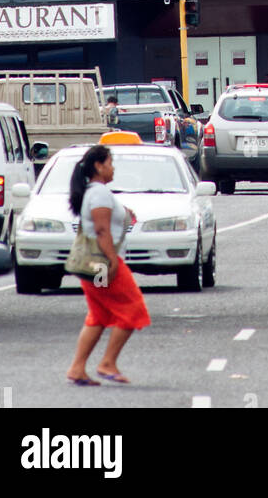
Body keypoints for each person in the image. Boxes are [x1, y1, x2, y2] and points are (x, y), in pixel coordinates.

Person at [66, 144, 150, 386]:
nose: (113, 168)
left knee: (100, 314)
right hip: (103, 264)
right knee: (133, 309)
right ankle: (107, 363)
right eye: (110, 163)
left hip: (93, 265)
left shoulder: (95, 192)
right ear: (99, 166)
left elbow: (103, 222)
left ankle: (77, 368)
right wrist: (113, 260)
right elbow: (102, 229)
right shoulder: (99, 193)